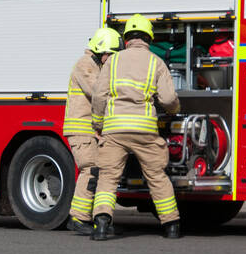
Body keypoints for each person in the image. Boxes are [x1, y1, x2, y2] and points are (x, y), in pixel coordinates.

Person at [89, 15, 181, 240]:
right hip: (144, 130)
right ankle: (171, 225)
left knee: (108, 177)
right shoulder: (155, 62)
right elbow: (168, 99)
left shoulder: (112, 61)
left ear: (126, 38)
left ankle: (101, 224)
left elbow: (99, 96)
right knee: (157, 176)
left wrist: (98, 124)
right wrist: (173, 111)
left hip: (115, 129)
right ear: (149, 37)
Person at [63, 27, 122, 235]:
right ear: (101, 49)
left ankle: (85, 216)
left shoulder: (95, 65)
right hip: (81, 130)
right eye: (111, 54)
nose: (111, 59)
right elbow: (98, 92)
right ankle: (78, 218)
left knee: (97, 171)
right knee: (90, 170)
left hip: (89, 130)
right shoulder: (85, 65)